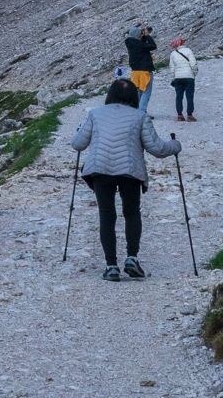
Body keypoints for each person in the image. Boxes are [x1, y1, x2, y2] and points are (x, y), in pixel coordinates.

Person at [69, 78, 181, 281]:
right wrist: (175, 145)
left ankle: (111, 266)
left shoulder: (94, 114)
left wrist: (78, 132)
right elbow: (157, 148)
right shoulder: (140, 116)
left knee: (106, 216)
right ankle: (131, 258)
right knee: (131, 213)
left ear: (109, 95)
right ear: (133, 97)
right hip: (129, 171)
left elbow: (77, 144)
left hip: (100, 171)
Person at [124, 26, 158, 110]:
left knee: (138, 92)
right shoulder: (140, 45)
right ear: (137, 35)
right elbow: (153, 46)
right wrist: (147, 36)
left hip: (135, 72)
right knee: (146, 92)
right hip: (145, 71)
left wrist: (142, 37)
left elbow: (140, 43)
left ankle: (137, 110)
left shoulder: (130, 43)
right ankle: (142, 112)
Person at [168, 37, 199, 122]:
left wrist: (173, 78)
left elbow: (172, 68)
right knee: (189, 96)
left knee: (179, 96)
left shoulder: (173, 53)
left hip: (178, 77)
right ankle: (189, 115)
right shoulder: (188, 51)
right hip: (189, 77)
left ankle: (179, 115)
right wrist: (194, 73)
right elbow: (193, 64)